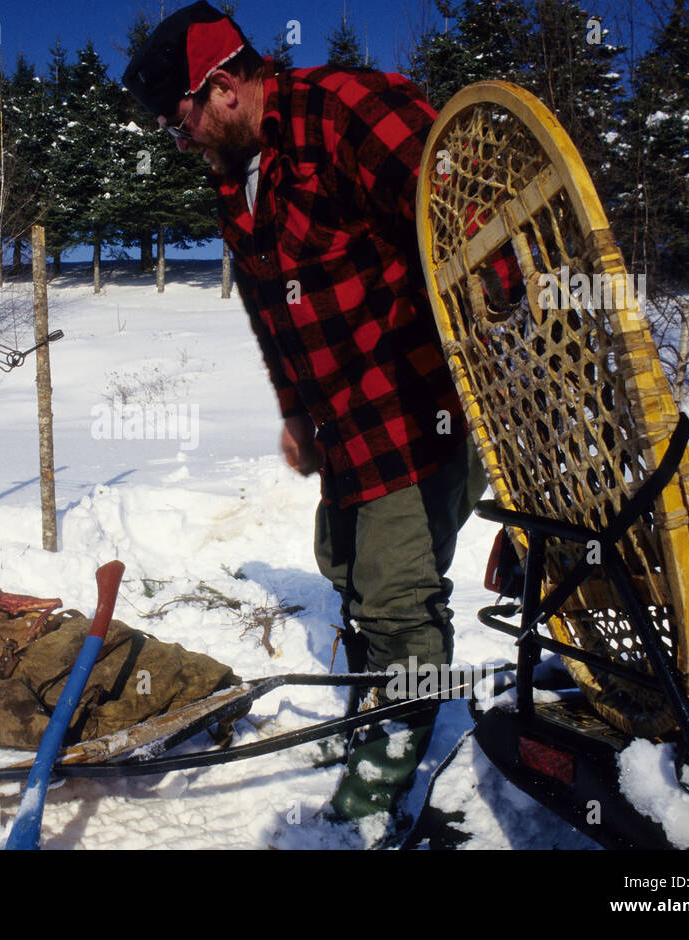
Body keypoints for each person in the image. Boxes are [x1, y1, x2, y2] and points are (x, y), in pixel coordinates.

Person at [123, 2, 486, 828]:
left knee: (396, 593)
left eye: (180, 121)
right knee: (346, 568)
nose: (180, 141)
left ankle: (395, 752)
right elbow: (270, 311)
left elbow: (465, 213)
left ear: (221, 86)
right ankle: (374, 706)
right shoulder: (236, 181)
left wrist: (492, 350)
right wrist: (295, 411)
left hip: (417, 406)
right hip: (345, 421)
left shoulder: (344, 111)